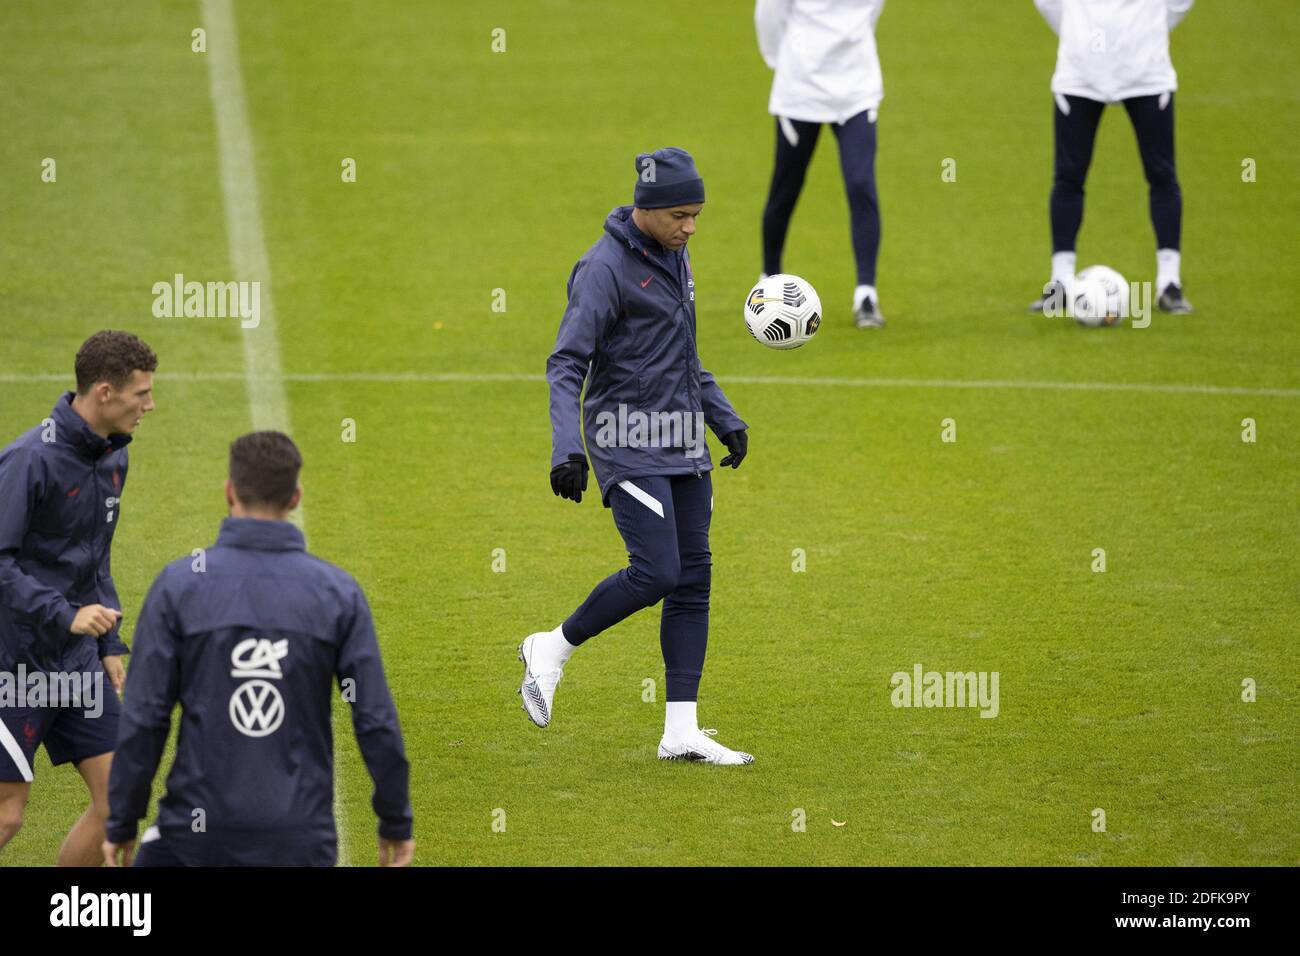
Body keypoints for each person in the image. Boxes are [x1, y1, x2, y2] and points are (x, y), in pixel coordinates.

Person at [523, 147, 754, 765]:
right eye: (681, 215)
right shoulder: (603, 270)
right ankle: (552, 646)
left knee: (694, 577)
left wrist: (722, 417)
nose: (691, 227)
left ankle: (681, 729)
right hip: (627, 440)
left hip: (682, 439)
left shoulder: (676, 255)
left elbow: (682, 354)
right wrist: (567, 447)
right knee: (657, 571)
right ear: (647, 209)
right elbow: (566, 362)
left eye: (697, 215)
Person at [103, 431, 414, 866]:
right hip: (300, 840)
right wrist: (395, 820)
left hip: (195, 838)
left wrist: (122, 820)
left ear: (229, 491)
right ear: (295, 498)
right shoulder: (338, 594)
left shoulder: (179, 587)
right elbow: (375, 718)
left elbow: (145, 718)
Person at [0, 330, 155, 865]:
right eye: (142, 394)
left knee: (120, 805)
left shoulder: (113, 459)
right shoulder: (28, 460)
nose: (150, 406)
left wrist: (108, 640)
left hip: (75, 662)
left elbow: (94, 559)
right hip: (12, 663)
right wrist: (65, 615)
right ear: (106, 393)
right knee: (7, 812)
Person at [1030, 0, 1195, 314]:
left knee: (1161, 175)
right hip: (1079, 76)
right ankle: (1061, 282)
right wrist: (1079, 38)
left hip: (1147, 75)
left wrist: (1142, 38)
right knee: (1068, 176)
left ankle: (1169, 284)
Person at [756, 0, 888, 329]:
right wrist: (784, 61)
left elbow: (871, 12)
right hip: (800, 89)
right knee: (785, 187)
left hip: (857, 89)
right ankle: (769, 276)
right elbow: (769, 15)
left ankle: (866, 294)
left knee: (861, 184)